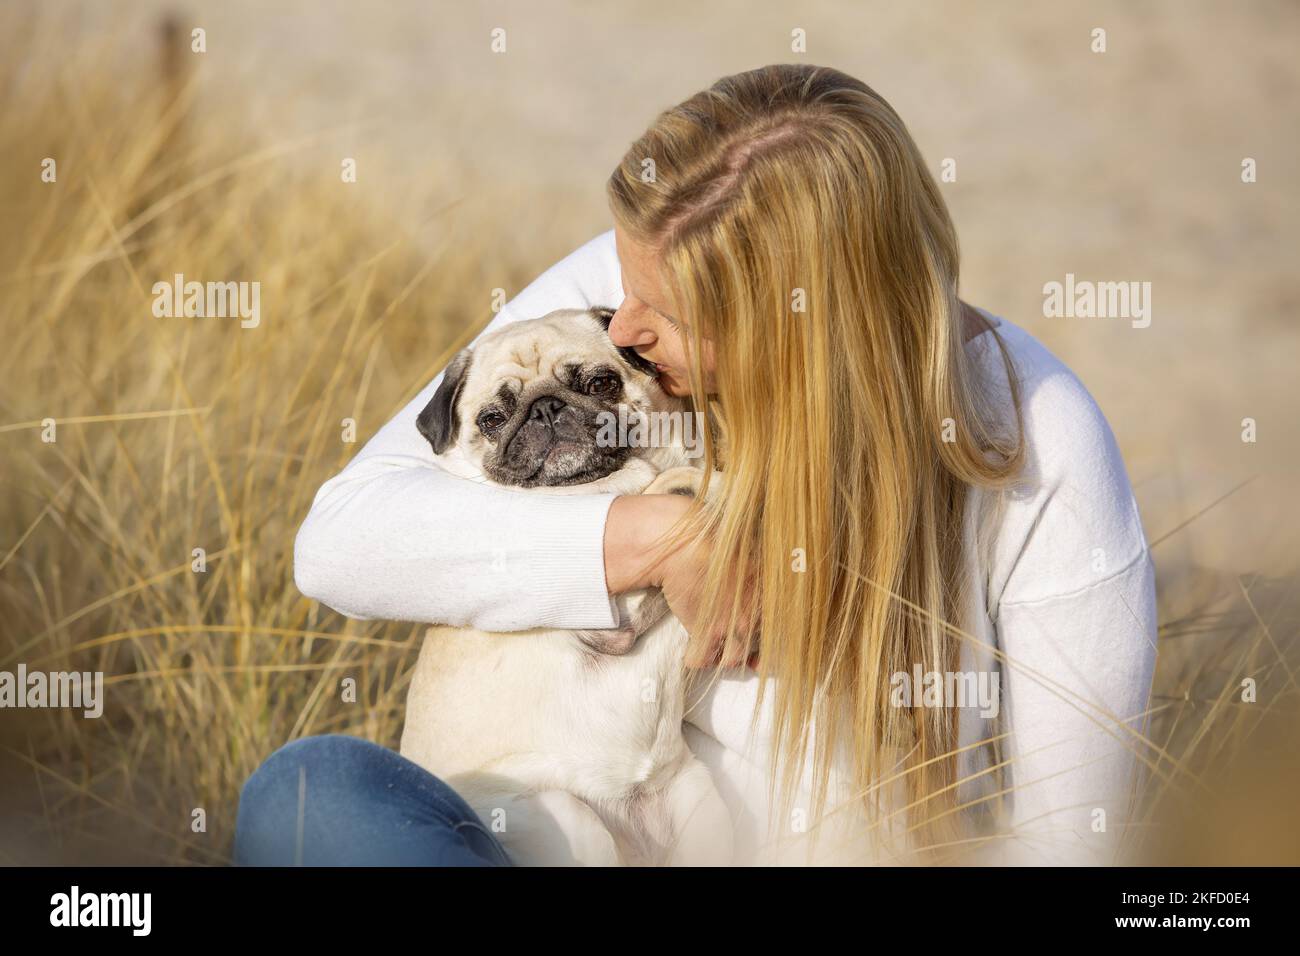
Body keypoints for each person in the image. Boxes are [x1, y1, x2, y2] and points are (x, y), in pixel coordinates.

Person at [236, 64, 1157, 866]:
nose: (623, 329)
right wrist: (652, 537)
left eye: (660, 316)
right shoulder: (653, 270)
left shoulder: (1046, 448)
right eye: (621, 291)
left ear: (801, 326)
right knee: (308, 796)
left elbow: (1074, 839)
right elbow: (339, 544)